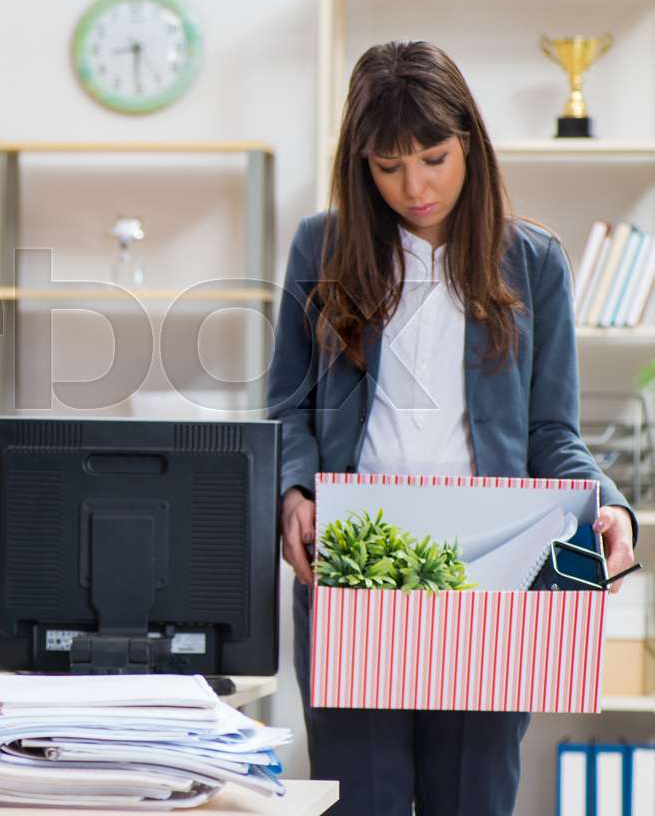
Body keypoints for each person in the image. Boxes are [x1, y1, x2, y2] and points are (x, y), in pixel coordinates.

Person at [268, 41, 638, 816]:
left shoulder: (533, 260)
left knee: (472, 798)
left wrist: (611, 504)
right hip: (356, 570)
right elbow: (287, 411)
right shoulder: (322, 246)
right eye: (388, 166)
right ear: (360, 164)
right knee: (357, 800)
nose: (415, 187)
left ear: (469, 139)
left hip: (495, 576)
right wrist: (293, 492)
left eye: (434, 158)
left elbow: (552, 433)